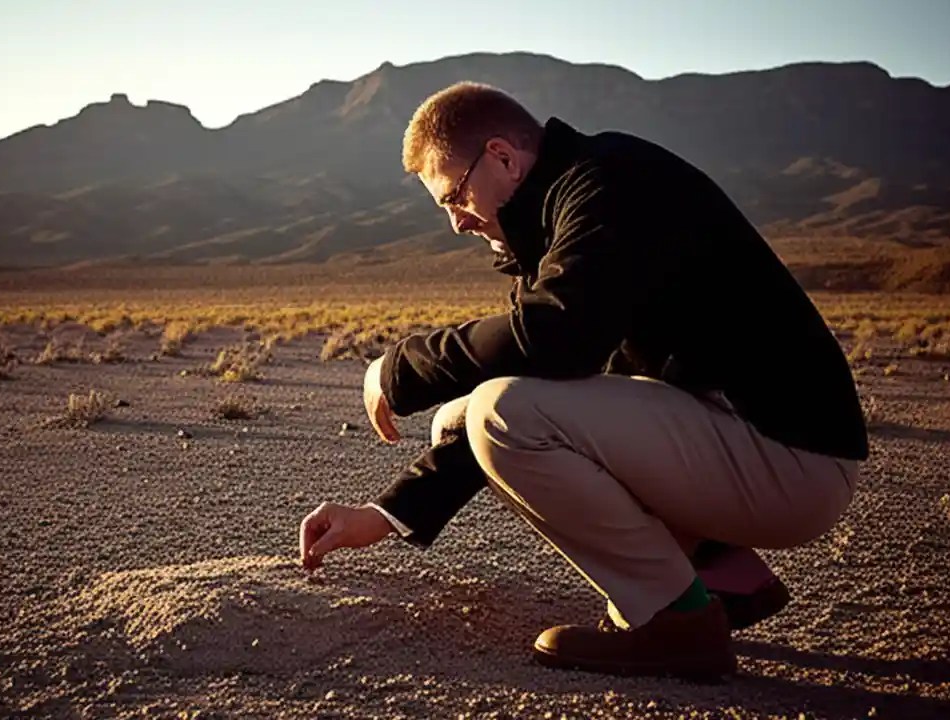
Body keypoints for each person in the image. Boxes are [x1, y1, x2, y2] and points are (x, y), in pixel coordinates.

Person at [298, 81, 868, 680]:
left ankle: (676, 623)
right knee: (467, 414)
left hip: (791, 457)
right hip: (748, 444)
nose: (456, 224)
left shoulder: (609, 185)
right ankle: (722, 574)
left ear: (502, 156)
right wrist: (383, 514)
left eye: (455, 196)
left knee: (503, 412)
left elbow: (552, 336)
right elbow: (549, 357)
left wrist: (401, 369)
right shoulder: (566, 208)